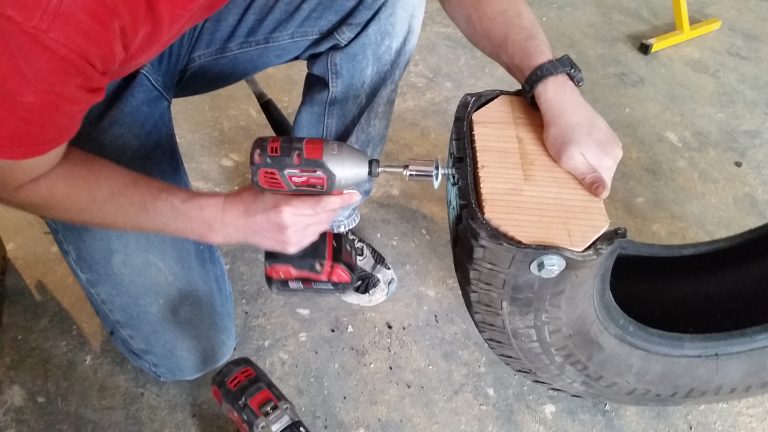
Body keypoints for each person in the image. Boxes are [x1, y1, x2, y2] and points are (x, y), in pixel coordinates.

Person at [0, 0, 622, 380]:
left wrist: (551, 83)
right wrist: (221, 220)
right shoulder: (37, 21)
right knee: (192, 350)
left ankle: (319, 224)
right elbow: (21, 175)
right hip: (55, 99)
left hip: (152, 33)